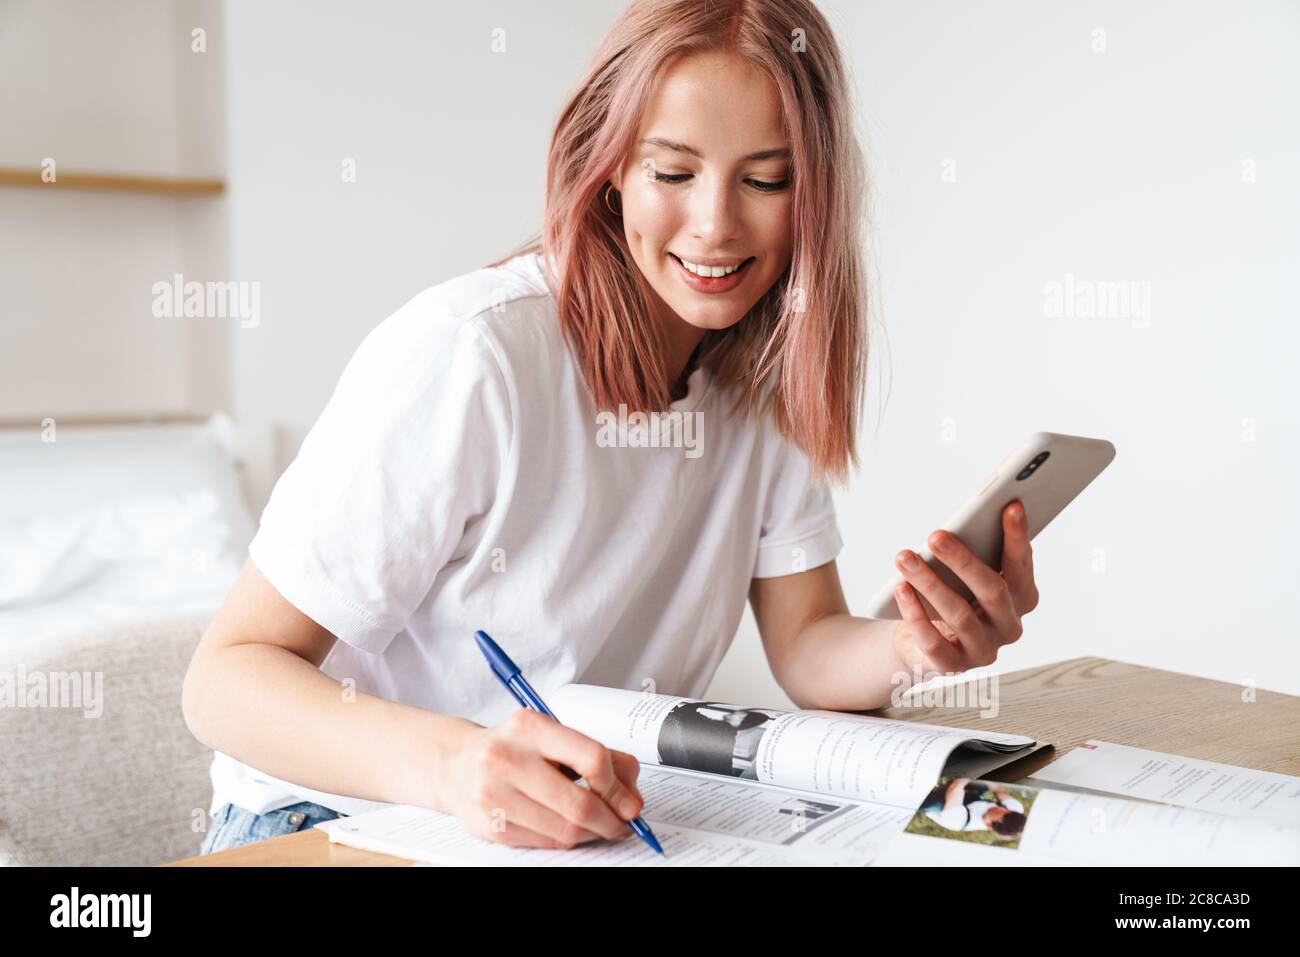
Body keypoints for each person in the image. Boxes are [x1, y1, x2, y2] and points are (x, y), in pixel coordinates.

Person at [183, 0, 1040, 856]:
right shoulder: (472, 356)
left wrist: (915, 645)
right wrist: (456, 768)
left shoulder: (758, 381)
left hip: (572, 830)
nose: (715, 224)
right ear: (608, 166)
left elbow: (809, 645)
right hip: (331, 821)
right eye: (673, 173)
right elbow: (225, 680)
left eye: (766, 179)